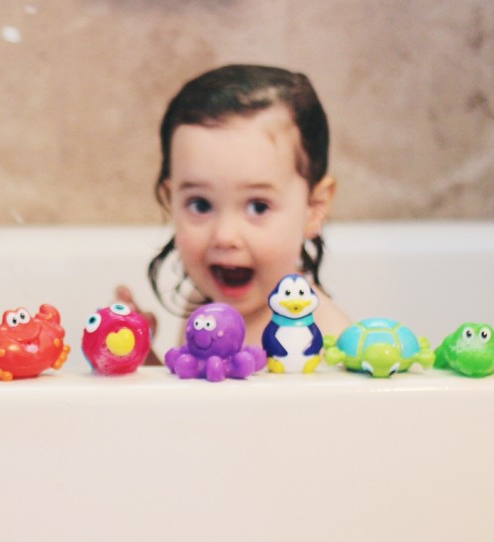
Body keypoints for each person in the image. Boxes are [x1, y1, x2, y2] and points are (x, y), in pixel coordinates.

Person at [119, 64, 351, 355]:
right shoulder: (204, 308)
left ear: (314, 208)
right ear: (171, 199)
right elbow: (193, 400)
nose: (225, 236)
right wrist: (143, 359)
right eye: (201, 204)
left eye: (258, 206)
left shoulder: (320, 339)